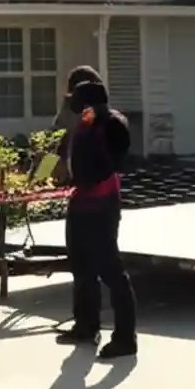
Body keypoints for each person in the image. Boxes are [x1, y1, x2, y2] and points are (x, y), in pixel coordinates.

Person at [52, 67, 137, 359]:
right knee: (81, 266)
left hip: (102, 202)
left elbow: (116, 158)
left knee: (110, 270)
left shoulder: (111, 122)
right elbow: (60, 153)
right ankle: (86, 326)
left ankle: (126, 338)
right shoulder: (80, 123)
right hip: (80, 202)